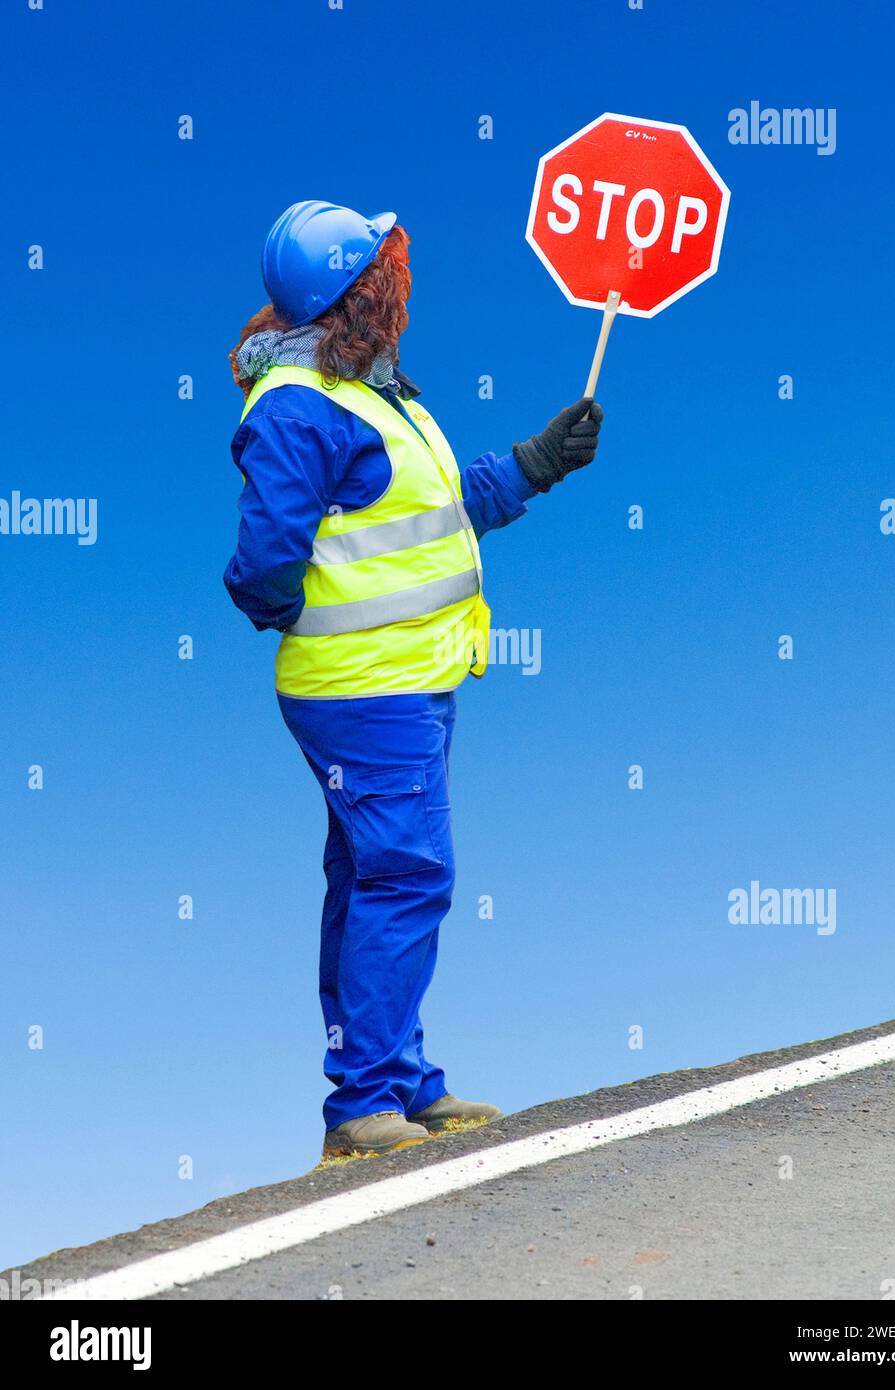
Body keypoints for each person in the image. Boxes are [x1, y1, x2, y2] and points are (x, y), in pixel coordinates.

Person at [225, 200, 603, 1156]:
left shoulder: (370, 392)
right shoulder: (302, 406)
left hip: (405, 683)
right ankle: (365, 1104)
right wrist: (292, 609)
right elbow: (263, 561)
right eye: (387, 271)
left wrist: (535, 463)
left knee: (370, 876)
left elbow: (432, 512)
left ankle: (396, 1079)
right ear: (361, 294)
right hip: (365, 690)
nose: (403, 286)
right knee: (406, 874)